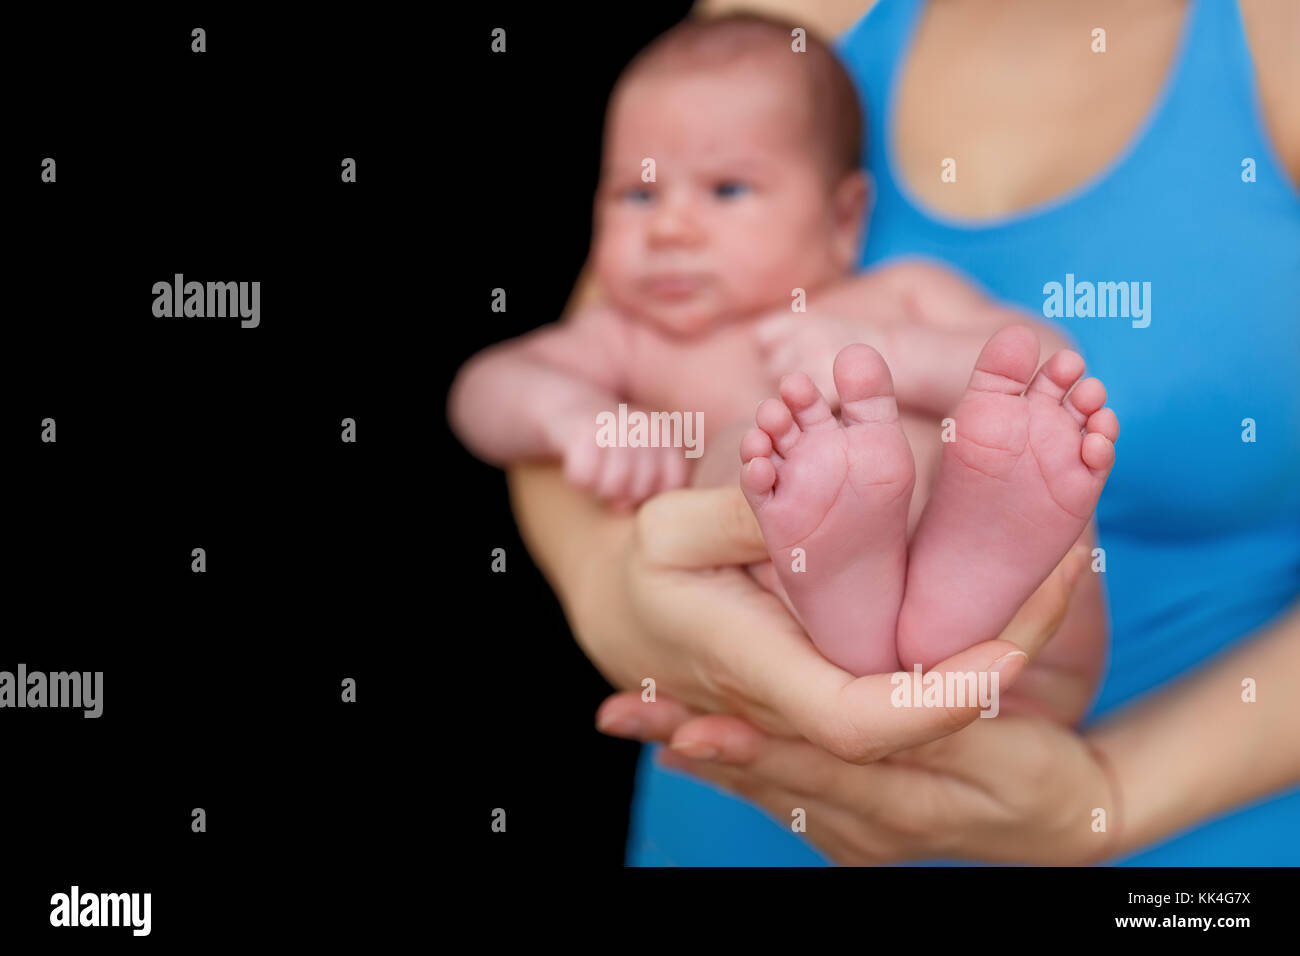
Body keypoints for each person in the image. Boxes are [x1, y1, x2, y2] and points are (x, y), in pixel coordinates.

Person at [510, 0, 1300, 865]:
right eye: (637, 193)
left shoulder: (893, 296)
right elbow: (494, 394)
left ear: (848, 217)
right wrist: (585, 476)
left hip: (1079, 743)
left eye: (729, 191)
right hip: (759, 742)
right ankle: (861, 592)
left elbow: (1046, 366)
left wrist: (894, 353)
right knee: (759, 463)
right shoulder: (638, 327)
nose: (670, 227)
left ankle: (951, 571)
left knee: (947, 453)